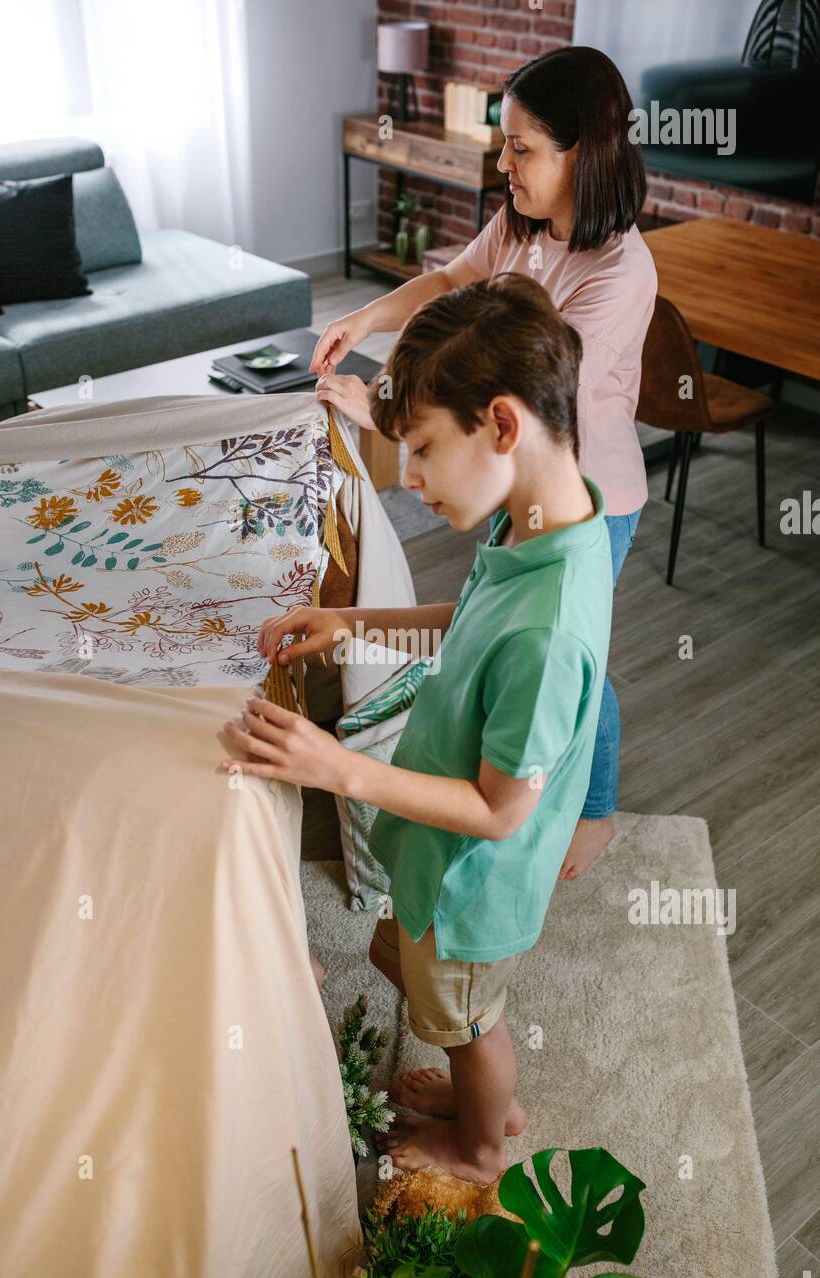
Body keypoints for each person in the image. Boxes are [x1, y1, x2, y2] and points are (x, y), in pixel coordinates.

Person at [217, 273, 613, 1183]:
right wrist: (354, 624)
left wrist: (340, 768)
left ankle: (481, 1140)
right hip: (441, 857)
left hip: (474, 879)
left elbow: (501, 810)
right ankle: (484, 1096)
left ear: (502, 426)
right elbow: (467, 613)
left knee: (468, 1020)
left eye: (424, 452)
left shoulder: (550, 627)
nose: (414, 481)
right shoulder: (538, 521)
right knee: (432, 994)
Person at [310, 46, 657, 882]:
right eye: (505, 143)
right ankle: (512, 757)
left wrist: (388, 412)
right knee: (501, 626)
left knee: (572, 658)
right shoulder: (522, 225)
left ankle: (593, 810)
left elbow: (515, 394)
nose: (504, 164)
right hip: (516, 477)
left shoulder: (620, 273)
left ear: (586, 153)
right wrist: (364, 320)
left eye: (523, 148)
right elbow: (449, 284)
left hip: (591, 498)